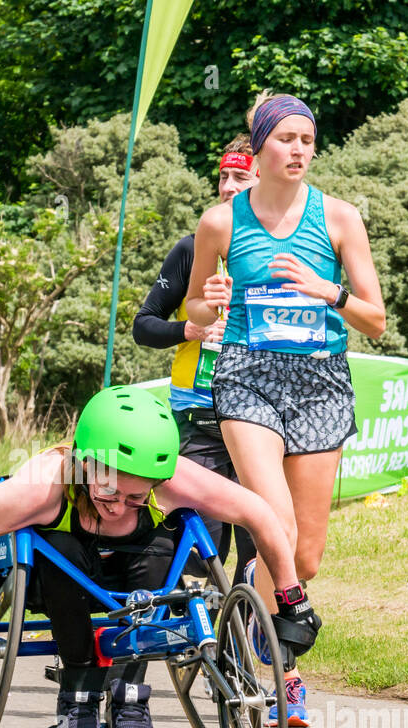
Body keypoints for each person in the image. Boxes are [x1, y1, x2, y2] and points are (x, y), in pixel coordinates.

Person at [0, 386, 320, 728]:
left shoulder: (170, 479)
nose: (120, 505)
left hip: (134, 582)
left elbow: (261, 516)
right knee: (60, 546)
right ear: (86, 463)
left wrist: (292, 601)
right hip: (56, 583)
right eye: (110, 490)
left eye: (138, 496)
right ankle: (79, 691)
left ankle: (131, 694)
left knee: (163, 542)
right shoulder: (46, 482)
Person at [185, 93, 386, 728]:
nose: (298, 150)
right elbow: (191, 311)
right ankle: (280, 672)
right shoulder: (220, 223)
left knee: (304, 556)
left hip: (322, 383)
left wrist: (329, 291)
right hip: (248, 377)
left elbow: (376, 321)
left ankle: (247, 607)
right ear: (261, 148)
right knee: (275, 523)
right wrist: (207, 302)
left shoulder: (340, 219)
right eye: (286, 139)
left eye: (307, 140)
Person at [134, 134, 258, 582]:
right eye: (223, 176)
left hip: (258, 420)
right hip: (198, 420)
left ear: (262, 179)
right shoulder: (192, 250)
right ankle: (194, 643)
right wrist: (191, 329)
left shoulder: (278, 255)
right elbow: (143, 325)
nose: (227, 186)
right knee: (198, 556)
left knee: (257, 545)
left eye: (239, 177)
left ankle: (252, 643)